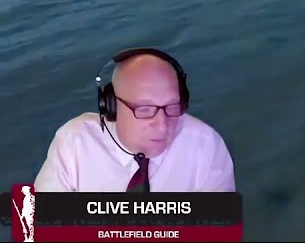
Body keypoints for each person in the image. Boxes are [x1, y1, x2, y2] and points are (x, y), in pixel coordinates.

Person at [33, 48, 236, 192]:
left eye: (172, 107)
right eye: (144, 109)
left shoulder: (206, 146)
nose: (162, 125)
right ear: (111, 106)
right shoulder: (75, 143)